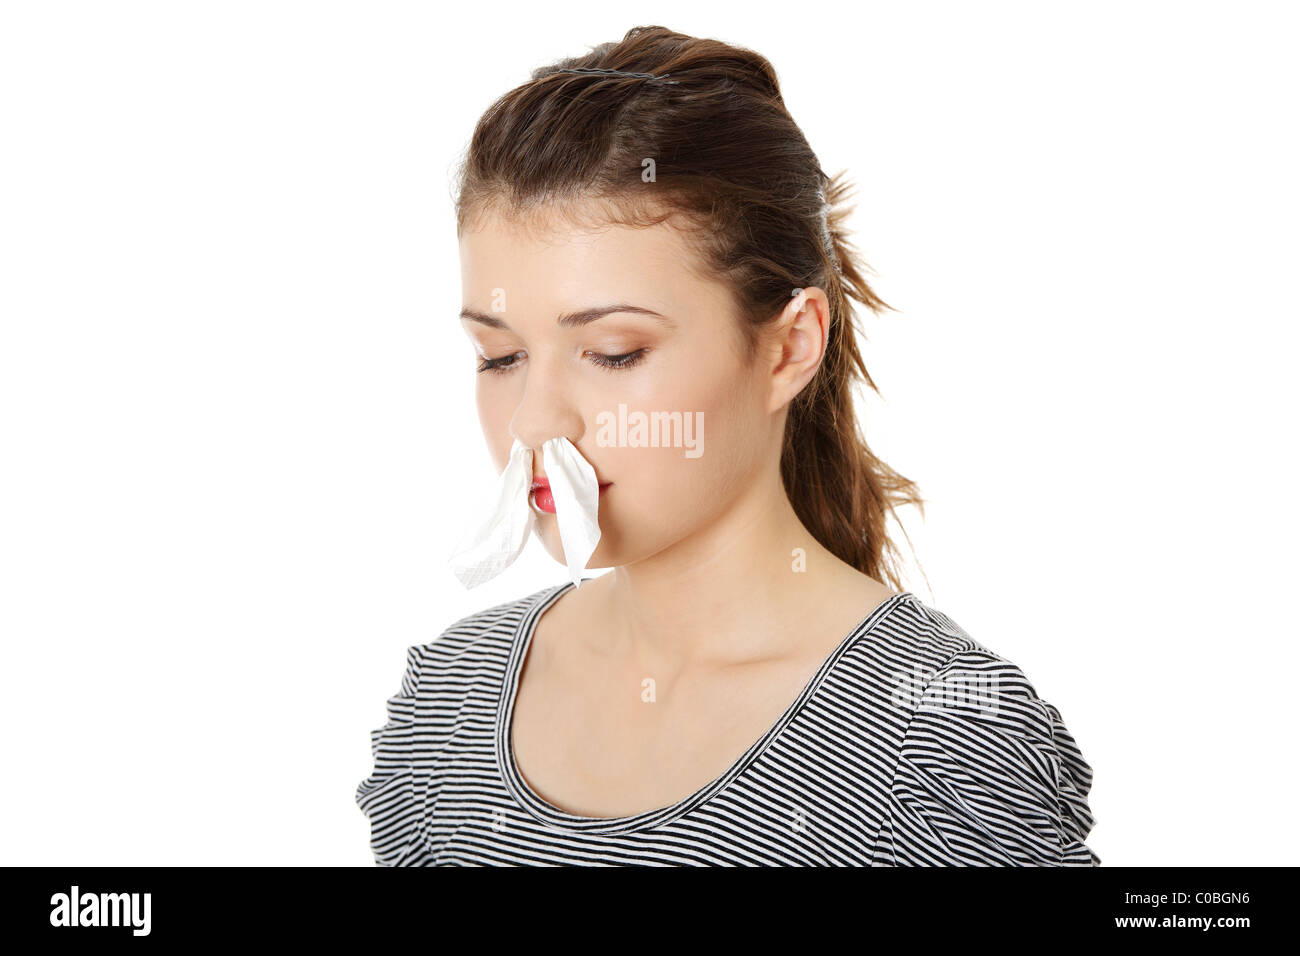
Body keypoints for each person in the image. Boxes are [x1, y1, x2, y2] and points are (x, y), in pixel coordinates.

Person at [355, 24, 1101, 866]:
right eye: (500, 358)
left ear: (788, 348)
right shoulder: (448, 704)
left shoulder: (947, 737)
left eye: (614, 354)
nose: (533, 426)